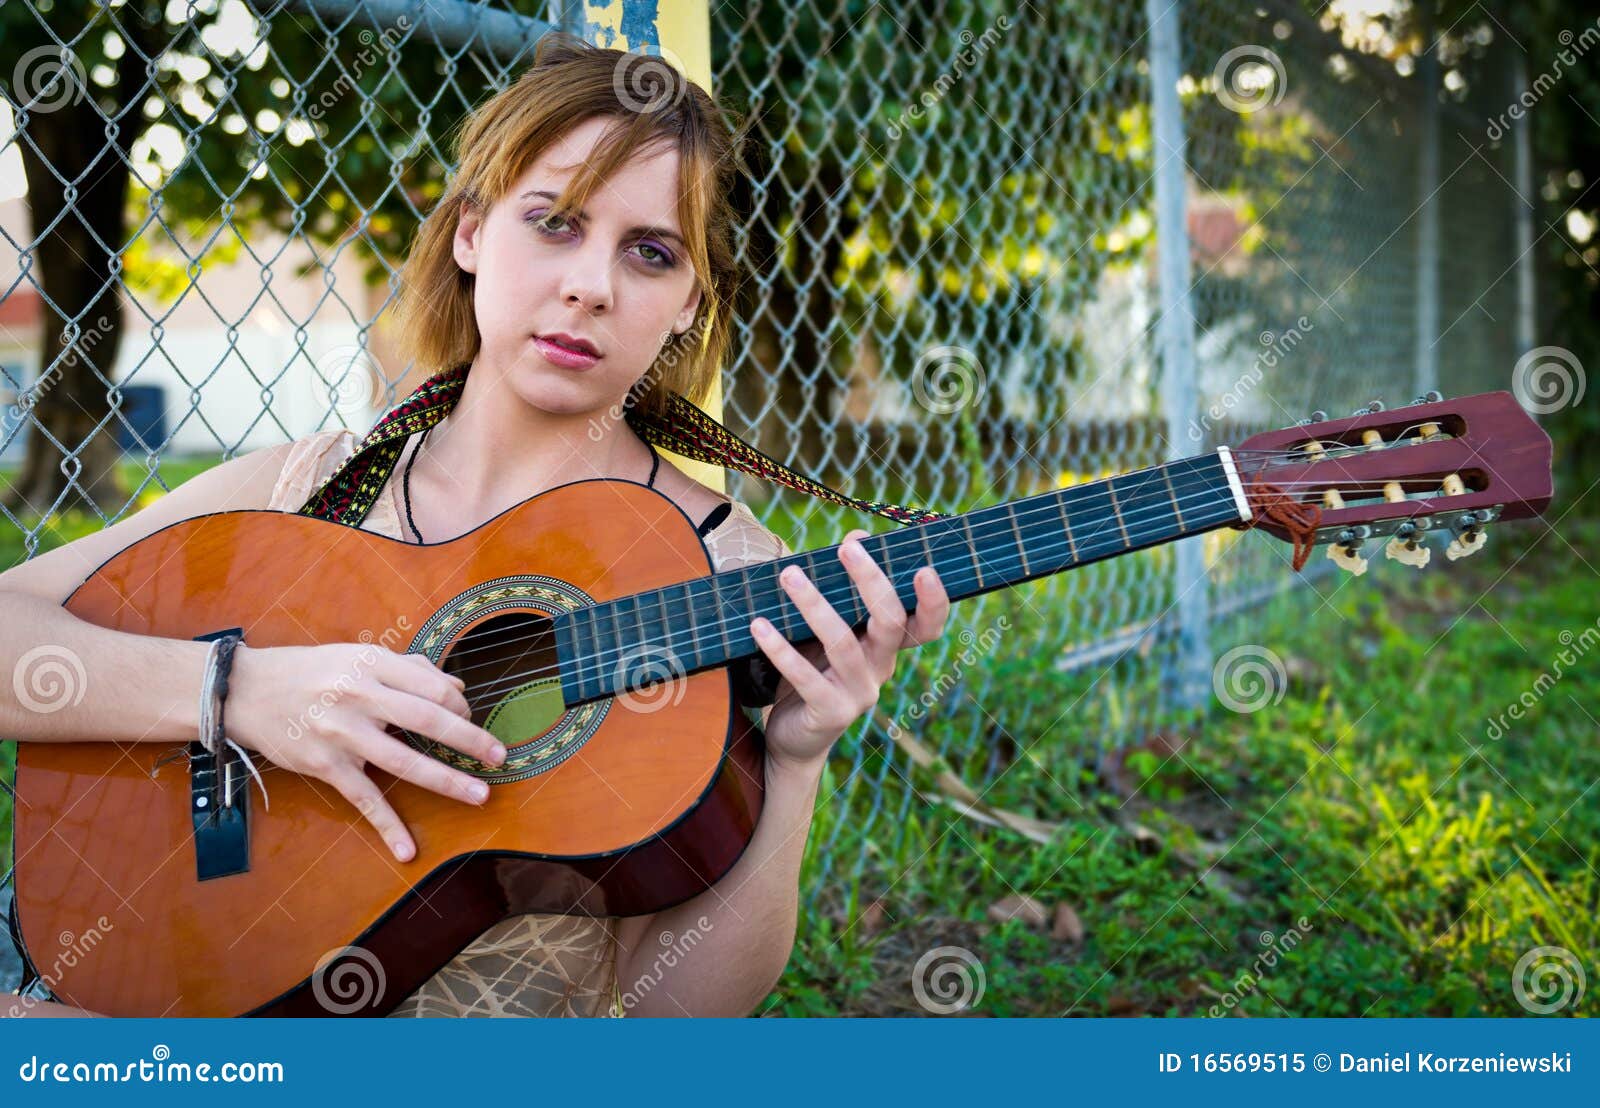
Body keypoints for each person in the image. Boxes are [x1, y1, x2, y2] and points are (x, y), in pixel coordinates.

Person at [0, 34, 950, 1018]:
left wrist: (794, 763)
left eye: (651, 253)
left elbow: (674, 1021)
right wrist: (235, 693)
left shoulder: (723, 566)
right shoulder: (308, 485)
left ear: (687, 306)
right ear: (469, 234)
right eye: (554, 222)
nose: (591, 285)